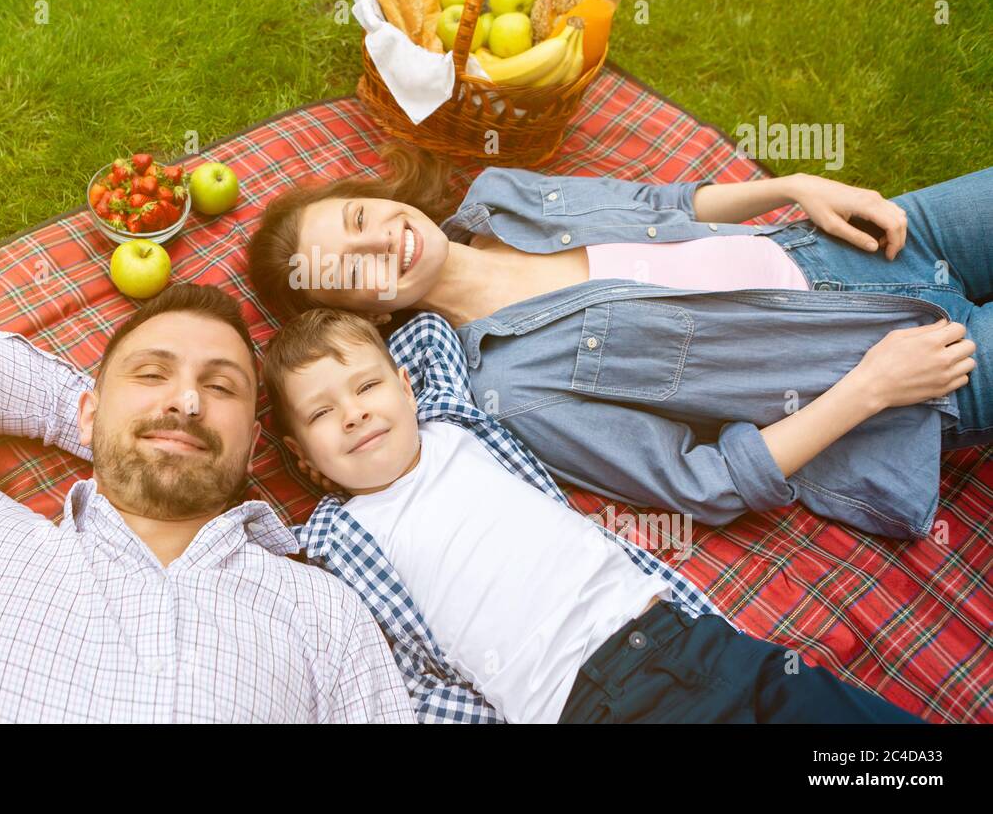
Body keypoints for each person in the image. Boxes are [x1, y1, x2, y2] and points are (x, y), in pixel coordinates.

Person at [249, 143, 988, 540]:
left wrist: (793, 188)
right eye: (354, 270)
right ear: (368, 317)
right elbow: (703, 483)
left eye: (356, 218)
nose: (382, 240)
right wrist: (875, 386)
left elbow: (660, 207)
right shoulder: (511, 386)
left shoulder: (500, 197)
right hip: (900, 372)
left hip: (851, 246)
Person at [263, 307, 923, 723]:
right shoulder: (336, 535)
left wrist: (352, 344)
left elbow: (430, 332)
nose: (352, 412)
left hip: (684, 637)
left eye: (367, 385)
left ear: (405, 386)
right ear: (304, 455)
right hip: (583, 702)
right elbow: (403, 675)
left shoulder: (453, 421)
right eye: (322, 413)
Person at [0, 282, 414, 723]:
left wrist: (129, 419)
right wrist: (101, 420)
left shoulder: (322, 612)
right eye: (152, 374)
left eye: (221, 388)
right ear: (86, 412)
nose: (188, 400)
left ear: (252, 447)